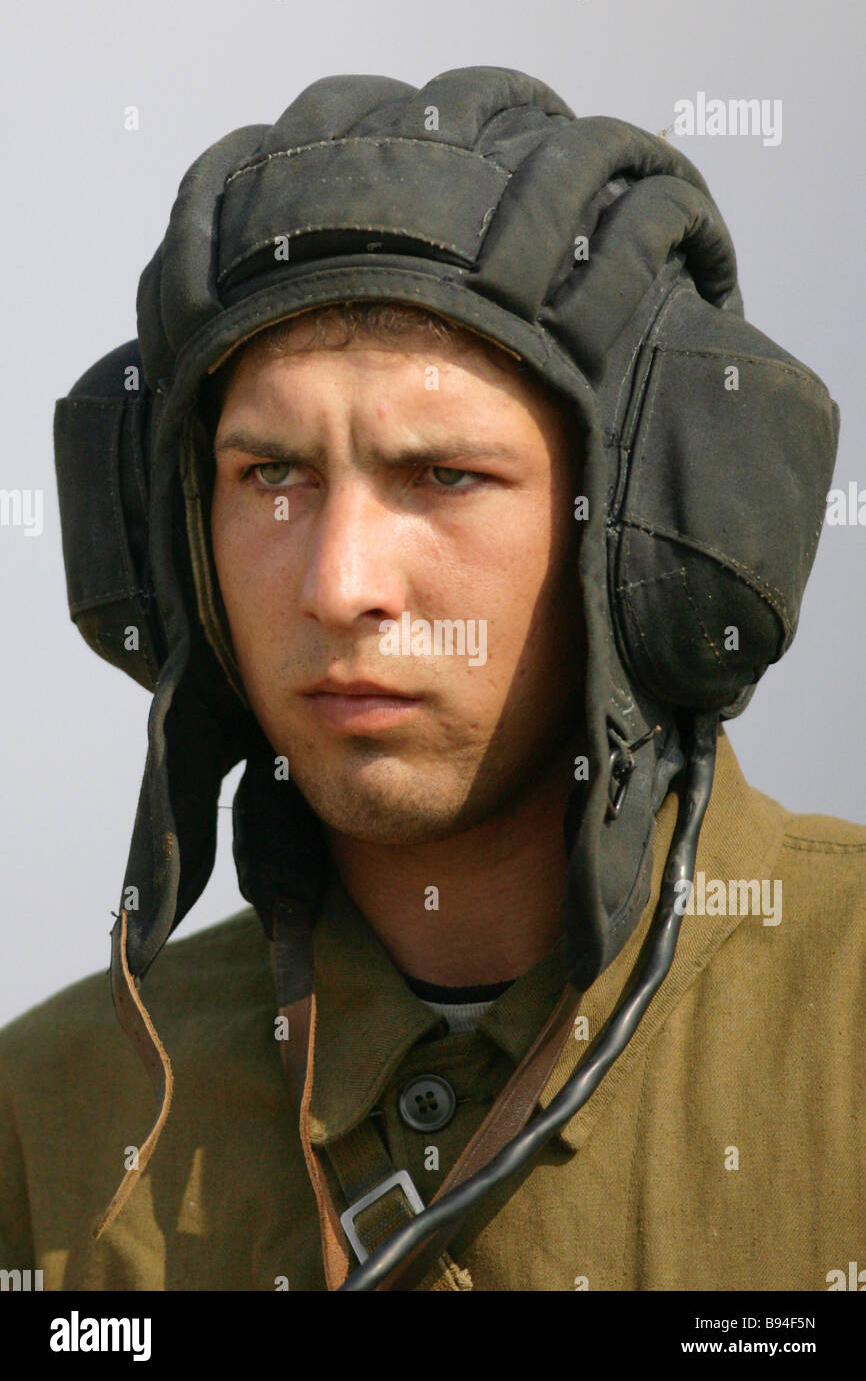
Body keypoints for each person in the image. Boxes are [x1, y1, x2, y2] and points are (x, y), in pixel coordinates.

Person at [1, 65, 863, 1293]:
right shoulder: (57, 1122)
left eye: (445, 476)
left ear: (634, 533)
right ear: (173, 539)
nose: (339, 583)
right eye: (270, 476)